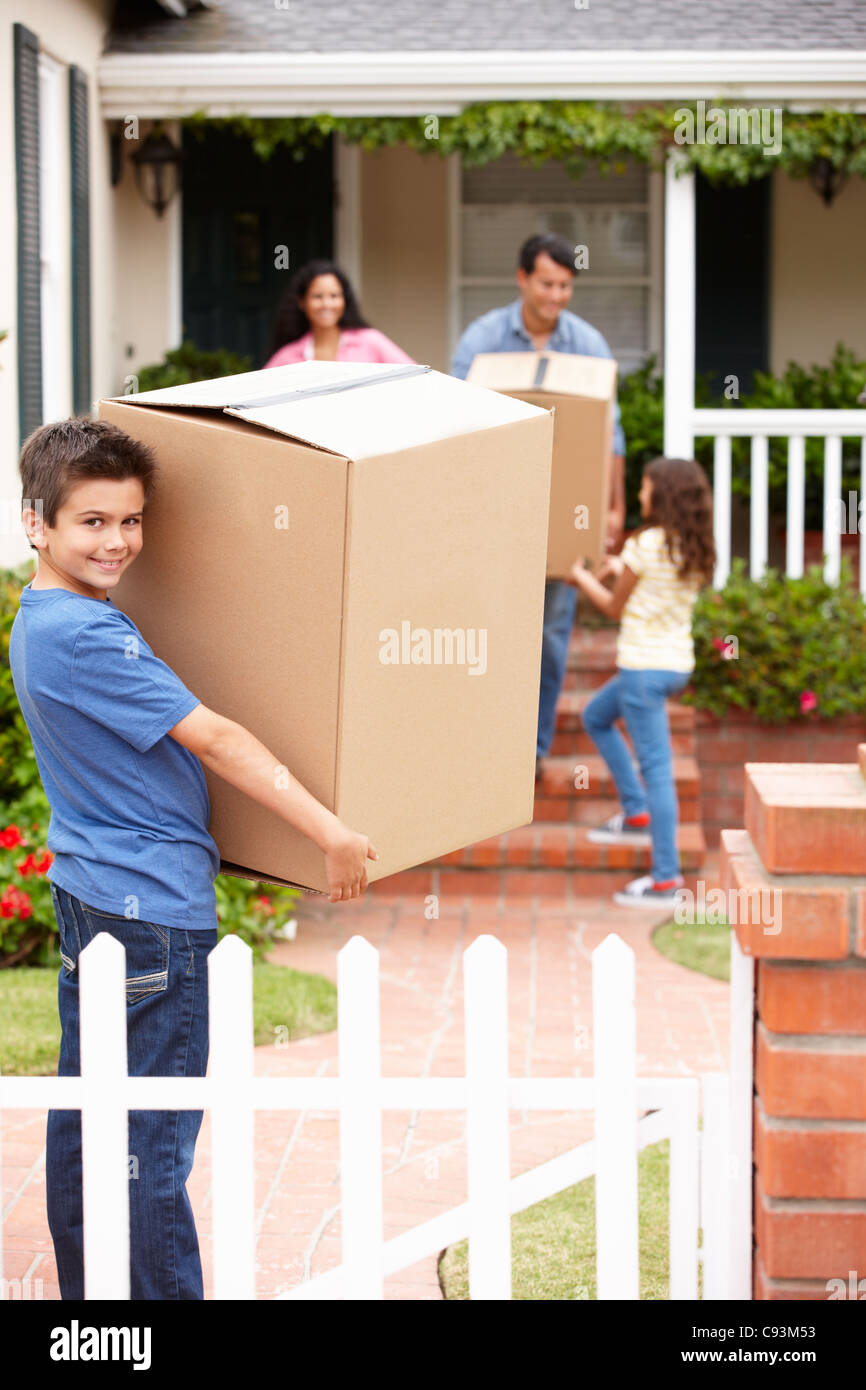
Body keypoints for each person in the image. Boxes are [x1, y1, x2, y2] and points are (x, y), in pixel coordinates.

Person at [10, 418, 378, 1300]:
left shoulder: (49, 617)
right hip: (151, 918)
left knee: (94, 1129)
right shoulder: (87, 636)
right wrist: (329, 830)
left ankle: (99, 1323)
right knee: (148, 1151)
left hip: (98, 903)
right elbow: (212, 737)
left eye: (131, 521)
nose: (118, 541)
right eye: (92, 522)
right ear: (37, 525)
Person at [449, 233, 626, 780]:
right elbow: (454, 421)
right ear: (522, 278)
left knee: (550, 634)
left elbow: (609, 435)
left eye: (566, 286)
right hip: (496, 513)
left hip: (562, 515)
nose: (556, 296)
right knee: (491, 628)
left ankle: (532, 751)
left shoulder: (588, 345)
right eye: (547, 283)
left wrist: (613, 510)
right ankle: (484, 742)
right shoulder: (482, 340)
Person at [566, 456, 716, 908]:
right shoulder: (693, 545)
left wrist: (578, 576)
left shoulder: (646, 543)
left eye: (645, 487)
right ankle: (635, 812)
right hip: (673, 667)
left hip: (642, 672)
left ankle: (666, 880)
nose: (639, 495)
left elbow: (613, 607)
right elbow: (650, 584)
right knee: (596, 716)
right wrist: (619, 564)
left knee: (659, 772)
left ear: (662, 494)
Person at [263, 259, 414, 366]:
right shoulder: (287, 356)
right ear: (302, 302)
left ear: (344, 300)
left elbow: (414, 377)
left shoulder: (370, 341)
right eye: (317, 296)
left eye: (334, 296)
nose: (326, 304)